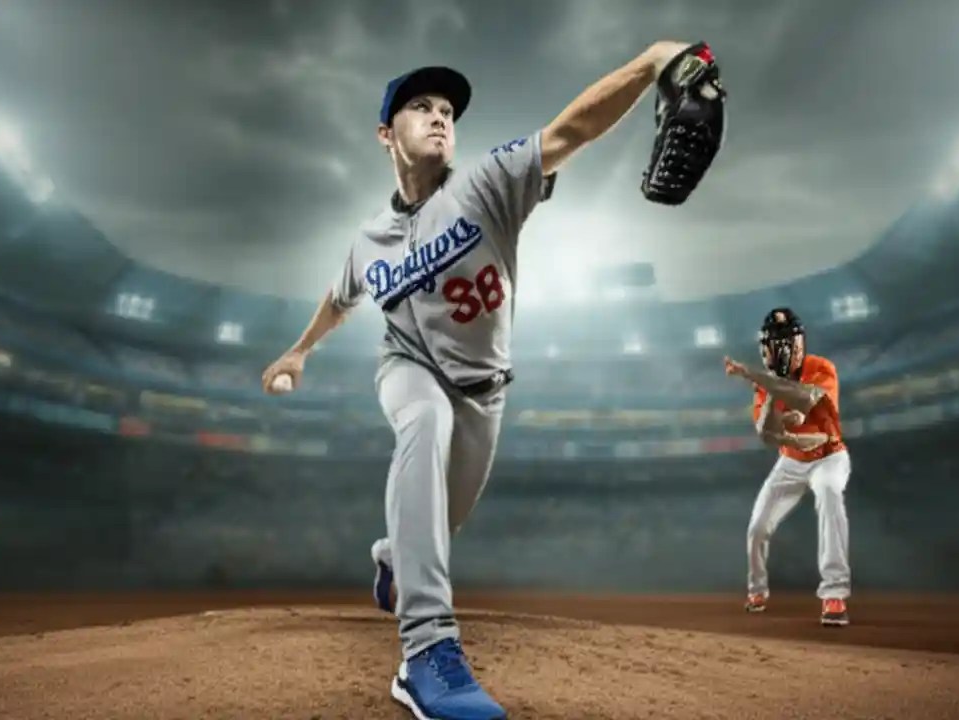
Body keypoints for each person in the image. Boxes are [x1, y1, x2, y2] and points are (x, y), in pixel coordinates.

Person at [262, 40, 704, 720]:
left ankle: (391, 558)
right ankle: (425, 654)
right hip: (407, 367)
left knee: (442, 519)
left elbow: (572, 129)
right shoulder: (367, 240)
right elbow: (339, 298)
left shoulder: (487, 183)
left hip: (485, 392)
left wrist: (651, 65)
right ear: (386, 134)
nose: (440, 117)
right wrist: (299, 352)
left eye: (447, 109)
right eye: (420, 107)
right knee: (423, 421)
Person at [723, 307, 853, 627]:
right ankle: (757, 591)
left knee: (829, 493)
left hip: (828, 456)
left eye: (785, 342)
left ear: (798, 344)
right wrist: (768, 395)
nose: (779, 350)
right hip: (791, 461)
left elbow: (805, 399)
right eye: (773, 344)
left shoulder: (821, 368)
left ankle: (834, 593)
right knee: (757, 528)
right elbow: (767, 435)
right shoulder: (764, 385)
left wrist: (757, 376)